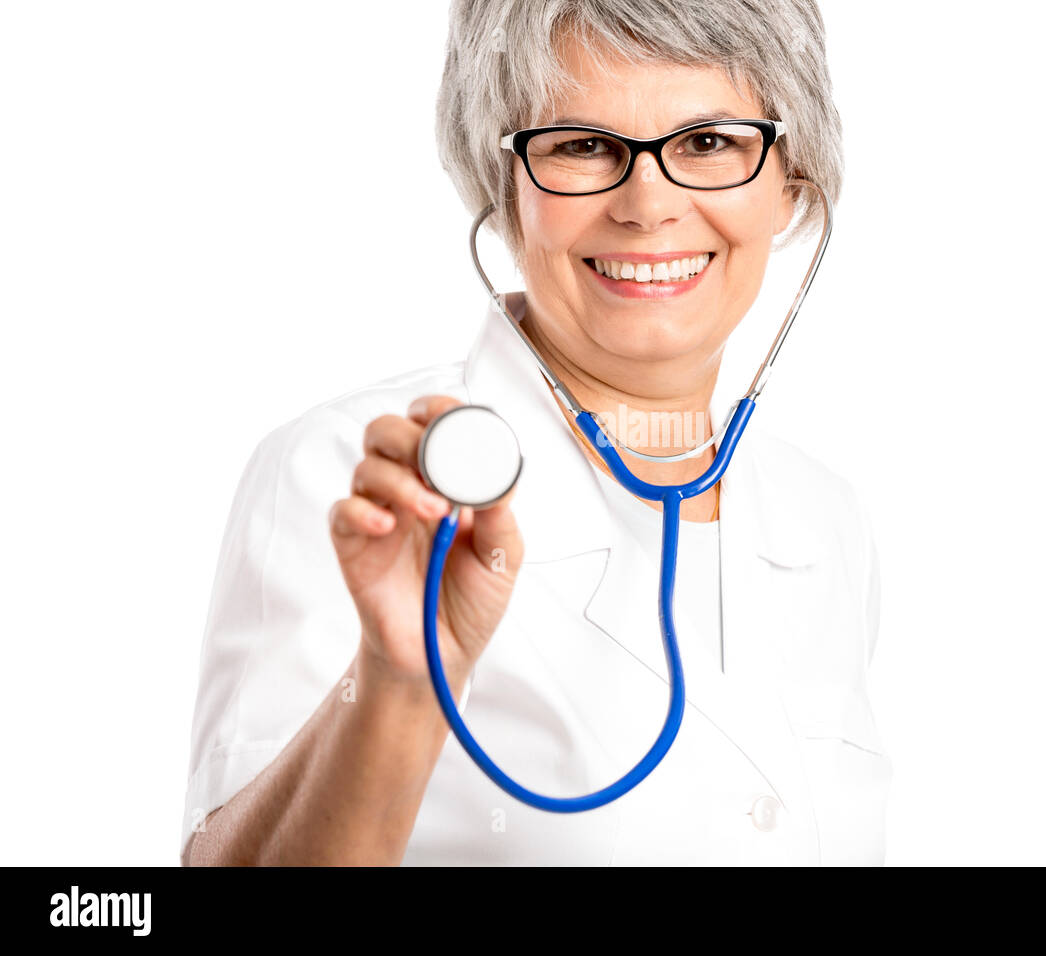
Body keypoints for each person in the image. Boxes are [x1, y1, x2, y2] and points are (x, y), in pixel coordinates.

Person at [182, 0, 890, 866]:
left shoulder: (824, 519)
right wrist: (398, 688)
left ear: (790, 180)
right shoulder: (348, 474)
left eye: (709, 142)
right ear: (505, 189)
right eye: (583, 146)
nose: (648, 205)